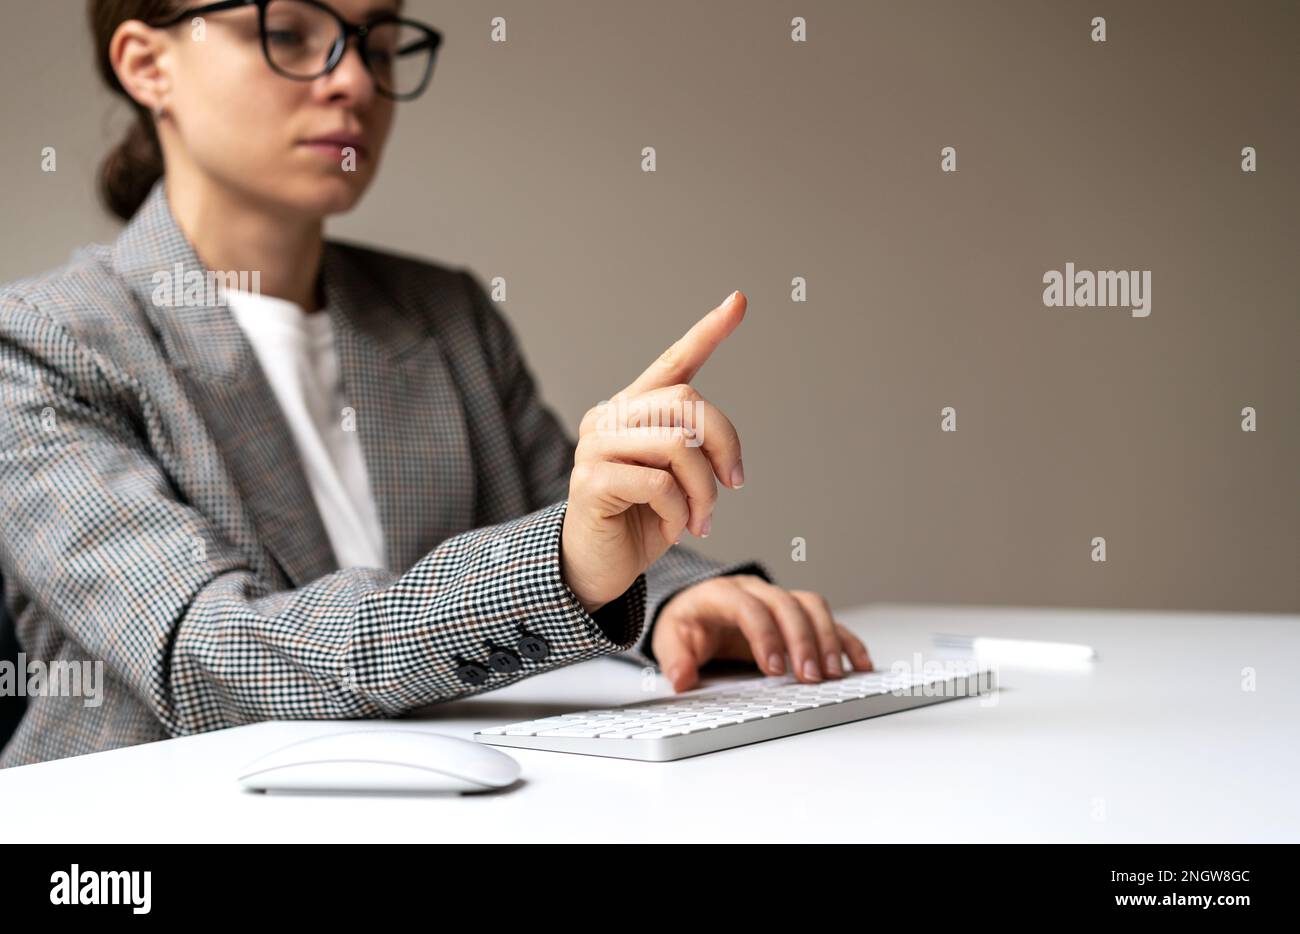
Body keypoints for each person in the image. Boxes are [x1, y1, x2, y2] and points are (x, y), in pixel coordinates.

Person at [0, 0, 872, 768]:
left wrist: (678, 592)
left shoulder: (444, 314)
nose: (353, 82)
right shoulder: (41, 343)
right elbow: (214, 658)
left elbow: (567, 512)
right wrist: (566, 565)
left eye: (377, 42)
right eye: (291, 32)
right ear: (148, 65)